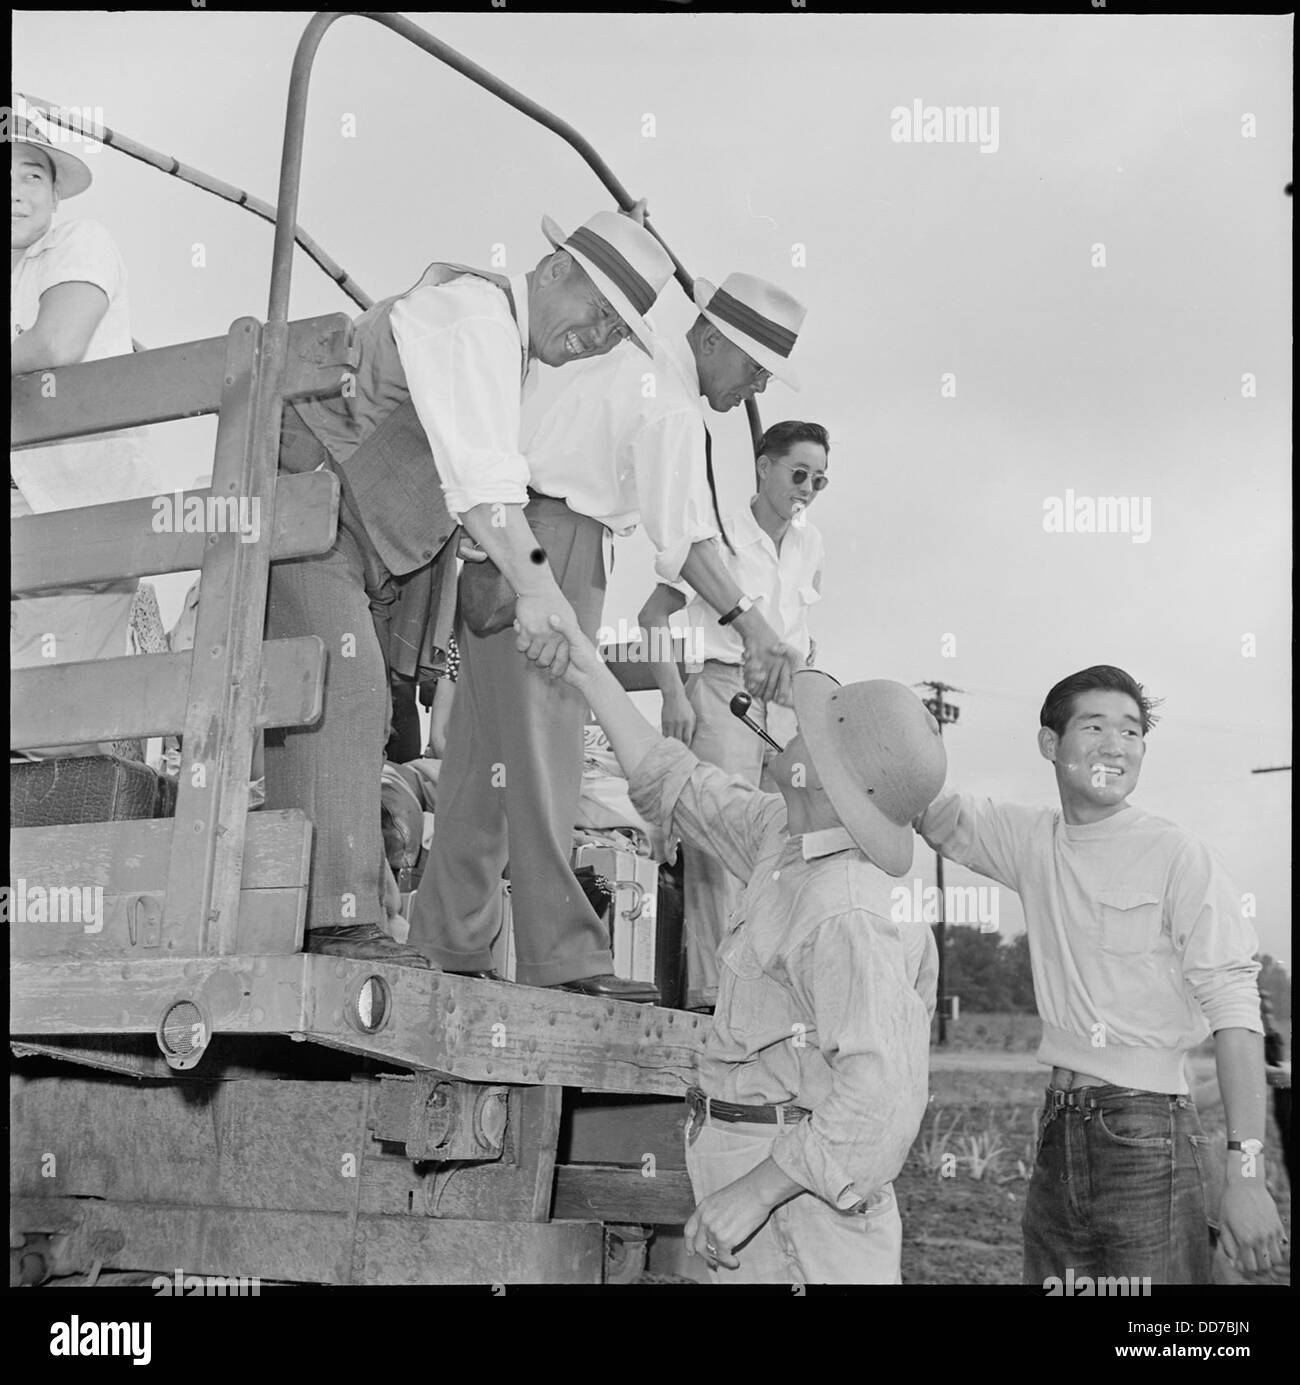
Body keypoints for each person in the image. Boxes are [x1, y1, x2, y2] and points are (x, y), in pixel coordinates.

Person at [263, 208, 675, 970]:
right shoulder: (476, 315)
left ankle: (334, 916)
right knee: (339, 690)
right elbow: (484, 486)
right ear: (553, 272)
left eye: (619, 330)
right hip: (300, 511)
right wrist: (539, 588)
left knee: (356, 708)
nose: (600, 336)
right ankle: (334, 927)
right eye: (598, 310)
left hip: (351, 542)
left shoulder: (509, 354)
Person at [408, 272, 808, 1000]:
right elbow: (685, 541)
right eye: (750, 367)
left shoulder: (630, 356)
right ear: (712, 338)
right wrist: (753, 625)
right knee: (547, 755)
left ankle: (448, 938)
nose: (751, 389)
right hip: (554, 549)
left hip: (505, 536)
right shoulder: (672, 402)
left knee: (482, 760)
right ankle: (564, 956)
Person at [519, 609, 946, 1283]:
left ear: (831, 781)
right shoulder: (789, 837)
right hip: (765, 1194)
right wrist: (586, 667)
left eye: (808, 734)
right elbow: (681, 783)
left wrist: (755, 1193)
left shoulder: (849, 912)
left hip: (802, 1219)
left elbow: (880, 1103)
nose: (786, 731)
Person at [916, 664, 1288, 1284]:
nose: (1116, 745)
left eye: (1132, 732)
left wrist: (1246, 1175)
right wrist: (902, 735)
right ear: (1049, 744)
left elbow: (1235, 1009)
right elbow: (927, 808)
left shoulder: (1177, 854)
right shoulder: (1031, 839)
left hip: (1149, 1135)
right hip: (1058, 1131)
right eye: (1094, 726)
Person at [640, 418, 829, 1009]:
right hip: (721, 692)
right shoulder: (713, 535)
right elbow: (651, 619)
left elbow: (803, 633)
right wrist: (674, 694)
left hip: (788, 705)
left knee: (796, 844)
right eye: (799, 473)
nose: (807, 489)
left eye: (820, 481)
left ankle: (775, 994)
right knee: (719, 844)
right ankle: (714, 998)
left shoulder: (812, 544)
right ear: (764, 466)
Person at [11, 112, 159, 756]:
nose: (16, 189)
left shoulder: (78, 242)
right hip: (30, 505)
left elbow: (58, 342)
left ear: (55, 192)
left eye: (33, 174)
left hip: (68, 504)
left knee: (44, 721)